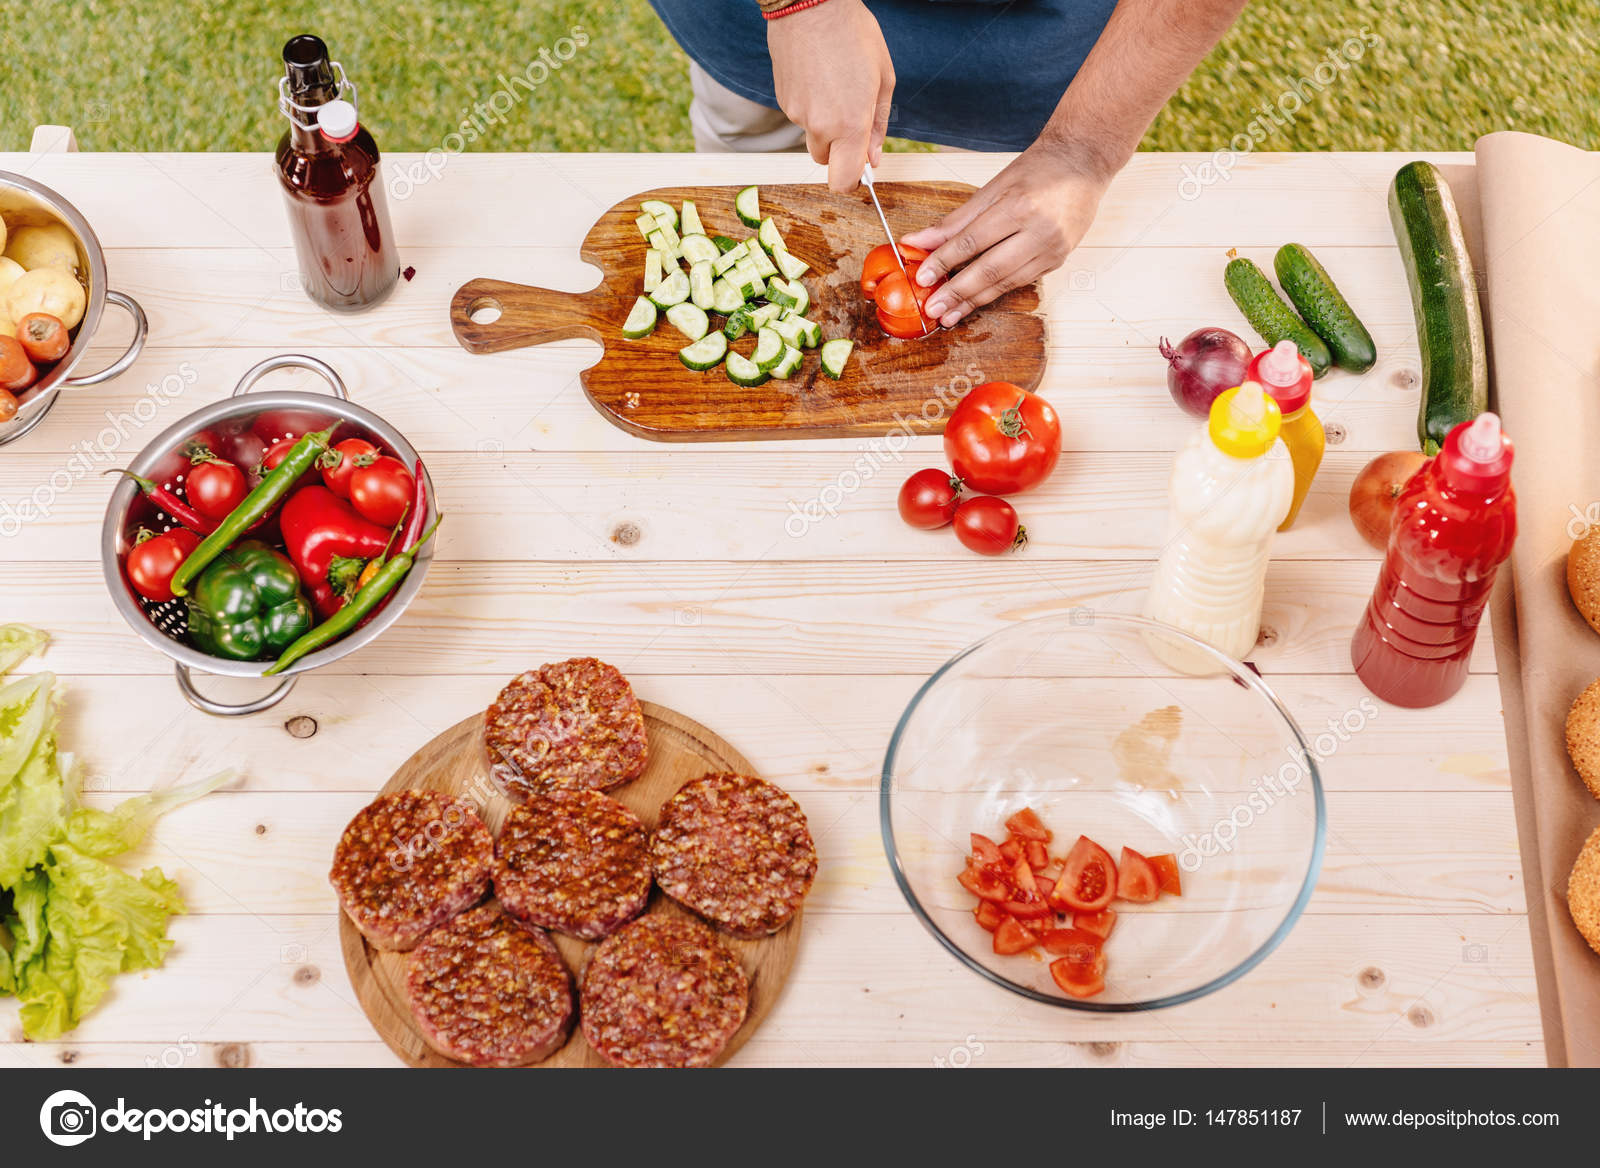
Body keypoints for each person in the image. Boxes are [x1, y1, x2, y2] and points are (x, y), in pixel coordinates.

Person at [648, 0, 1247, 328]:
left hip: (1024, 26)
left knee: (994, 200)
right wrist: (802, 7)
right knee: (746, 132)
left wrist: (1082, 150)